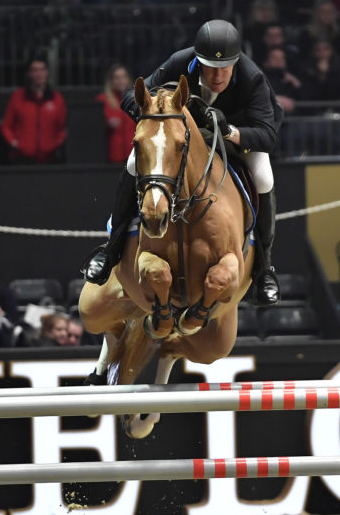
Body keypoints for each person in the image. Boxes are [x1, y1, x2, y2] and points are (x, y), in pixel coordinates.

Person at [84, 19, 284, 305]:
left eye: (225, 68)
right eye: (210, 68)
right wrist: (149, 112)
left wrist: (228, 131)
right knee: (132, 163)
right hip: (186, 138)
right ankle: (111, 249)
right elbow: (131, 96)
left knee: (263, 177)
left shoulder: (252, 78)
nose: (217, 76)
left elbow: (267, 135)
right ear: (198, 60)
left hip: (237, 137)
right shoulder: (181, 61)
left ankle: (265, 268)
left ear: (236, 62)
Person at [0, 56, 68, 164]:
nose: (39, 74)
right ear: (29, 74)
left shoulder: (57, 99)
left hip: (50, 160)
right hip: (21, 159)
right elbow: (6, 126)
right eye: (35, 70)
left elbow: (62, 128)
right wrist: (14, 143)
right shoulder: (17, 97)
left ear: (47, 72)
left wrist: (56, 144)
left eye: (42, 70)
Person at [96, 63, 135, 164]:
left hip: (134, 154)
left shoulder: (136, 100)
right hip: (113, 155)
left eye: (123, 77)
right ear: (111, 81)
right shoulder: (103, 100)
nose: (121, 81)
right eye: (117, 77)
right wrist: (106, 123)